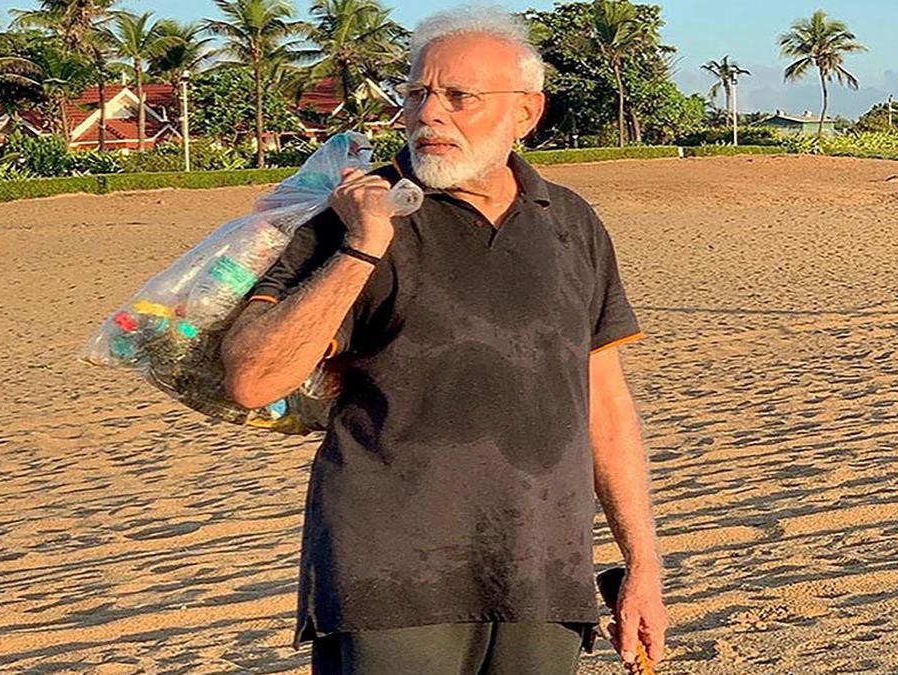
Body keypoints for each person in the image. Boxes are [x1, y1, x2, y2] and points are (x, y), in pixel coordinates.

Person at [220, 6, 667, 674]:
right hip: (390, 583)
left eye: (460, 97)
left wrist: (644, 566)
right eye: (417, 93)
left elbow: (605, 404)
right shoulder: (351, 212)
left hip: (545, 578)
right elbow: (251, 378)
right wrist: (363, 246)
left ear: (526, 113)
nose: (430, 113)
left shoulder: (572, 223)